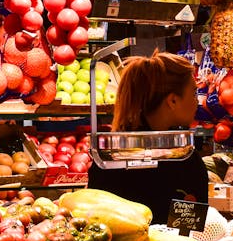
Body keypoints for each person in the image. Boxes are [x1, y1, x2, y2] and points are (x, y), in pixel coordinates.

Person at [87, 51, 208, 221]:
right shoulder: (186, 163)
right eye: (194, 93)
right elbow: (190, 231)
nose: (198, 101)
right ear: (172, 101)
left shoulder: (109, 158)